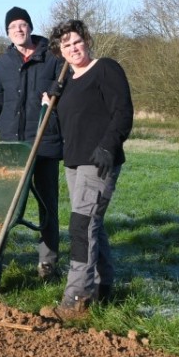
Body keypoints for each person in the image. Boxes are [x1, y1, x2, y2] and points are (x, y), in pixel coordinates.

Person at [0, 6, 64, 281]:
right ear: (7, 32)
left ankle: (48, 265)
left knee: (47, 206)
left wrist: (56, 93)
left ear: (30, 27)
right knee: (3, 207)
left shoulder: (52, 57)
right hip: (11, 147)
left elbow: (68, 88)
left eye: (22, 24)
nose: (18, 29)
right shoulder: (3, 63)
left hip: (43, 143)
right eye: (12, 27)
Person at [41, 18, 133, 322]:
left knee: (81, 226)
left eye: (76, 41)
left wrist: (109, 145)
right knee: (93, 225)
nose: (73, 48)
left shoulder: (106, 68)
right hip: (74, 162)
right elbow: (66, 125)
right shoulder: (68, 82)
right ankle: (103, 287)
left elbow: (123, 110)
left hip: (99, 160)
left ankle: (76, 299)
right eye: (66, 45)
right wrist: (51, 101)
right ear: (60, 52)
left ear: (87, 41)